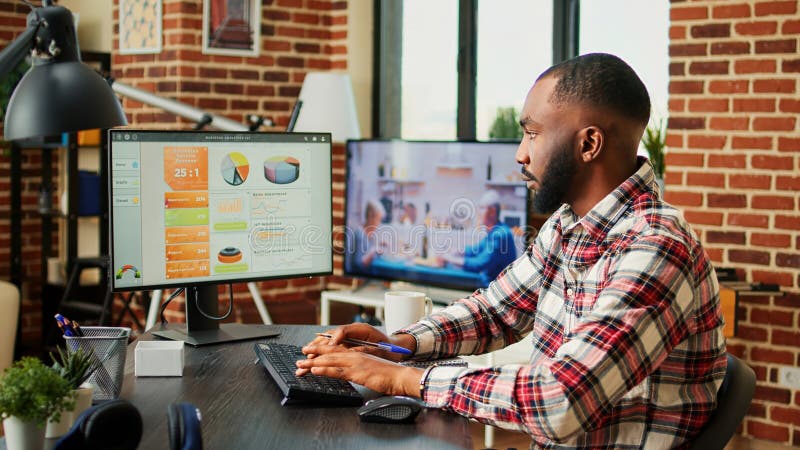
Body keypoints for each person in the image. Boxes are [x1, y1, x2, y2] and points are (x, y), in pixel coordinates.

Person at [298, 53, 726, 448]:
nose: (521, 153)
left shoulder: (657, 245)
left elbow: (560, 399)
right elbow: (497, 311)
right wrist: (398, 344)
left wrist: (404, 380)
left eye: (532, 133)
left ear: (589, 144)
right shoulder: (566, 226)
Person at [437, 190, 517, 282]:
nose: (479, 212)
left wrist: (449, 258)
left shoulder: (500, 234)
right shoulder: (496, 230)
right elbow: (476, 249)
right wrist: (456, 251)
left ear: (492, 211)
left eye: (482, 208)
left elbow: (480, 263)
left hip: (496, 288)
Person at [346, 199, 387, 272]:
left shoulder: (371, 235)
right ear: (370, 217)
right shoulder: (359, 234)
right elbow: (358, 265)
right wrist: (374, 251)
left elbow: (370, 255)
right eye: (378, 219)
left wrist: (378, 248)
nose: (379, 224)